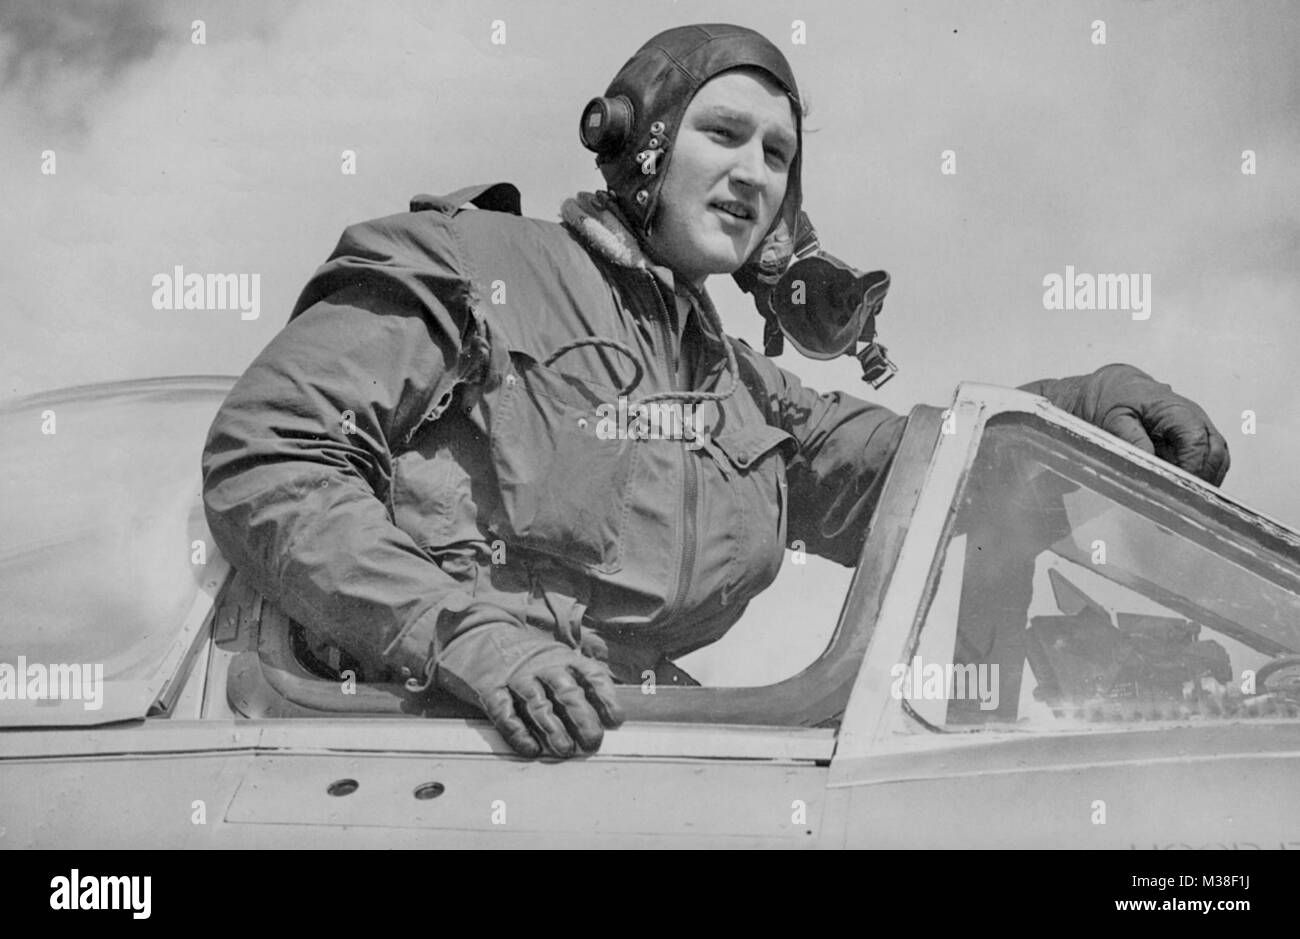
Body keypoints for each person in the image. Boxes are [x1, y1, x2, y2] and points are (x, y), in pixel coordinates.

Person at [201, 23, 1229, 759]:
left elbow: (912, 473)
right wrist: (463, 632)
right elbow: (273, 454)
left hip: (623, 745)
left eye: (777, 156)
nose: (754, 174)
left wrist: (1078, 407)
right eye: (724, 135)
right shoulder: (472, 263)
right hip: (399, 734)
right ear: (636, 140)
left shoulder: (739, 392)